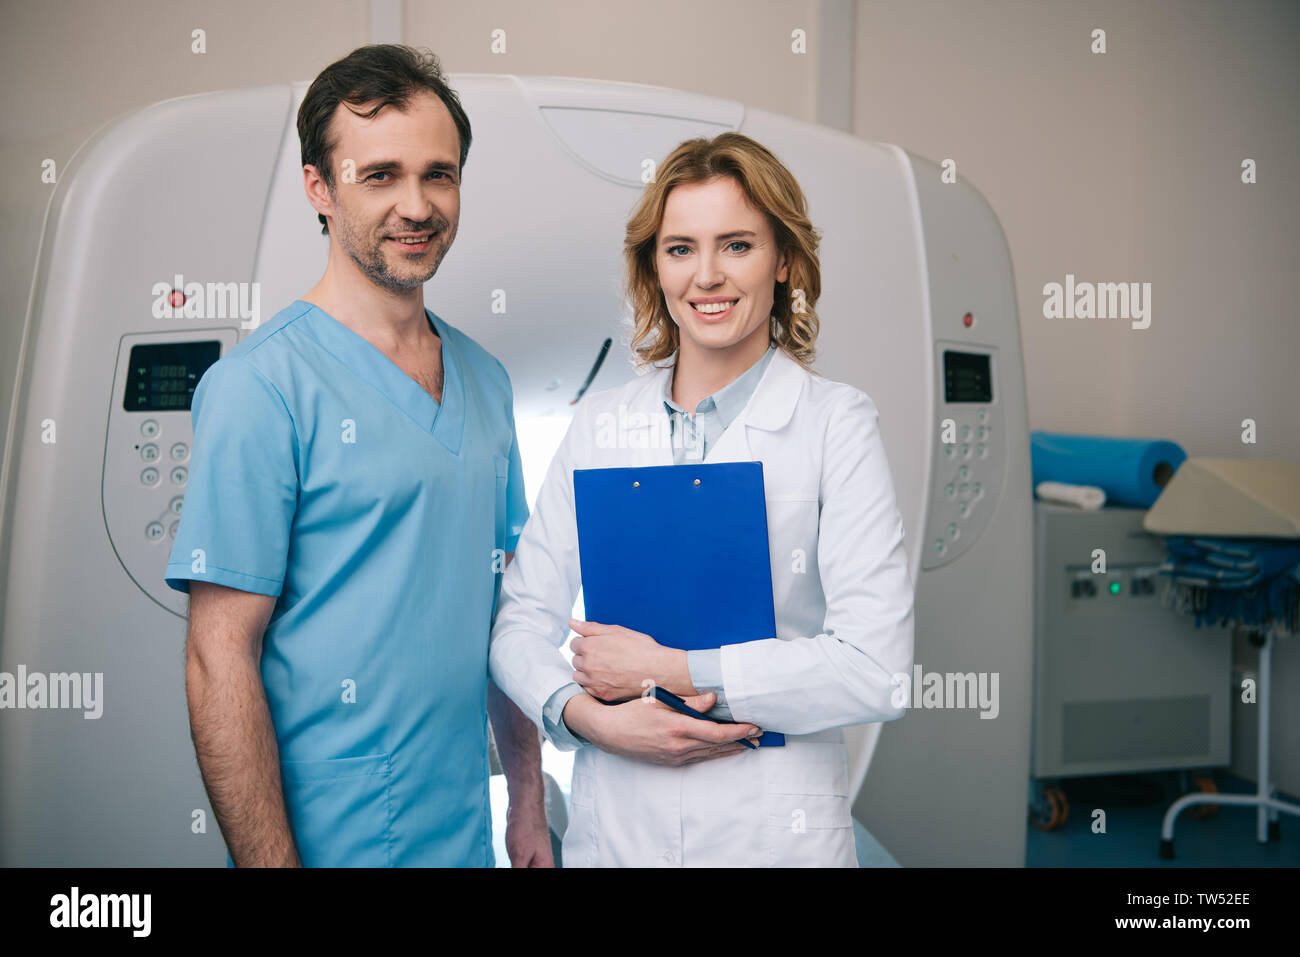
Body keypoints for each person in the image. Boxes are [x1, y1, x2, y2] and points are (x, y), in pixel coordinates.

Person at [165, 44, 552, 867]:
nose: (417, 205)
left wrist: (526, 802)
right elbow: (216, 655)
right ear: (320, 187)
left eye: (438, 174)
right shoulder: (259, 388)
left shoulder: (485, 380)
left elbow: (506, 614)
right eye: (379, 176)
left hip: (463, 834)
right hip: (331, 836)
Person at [489, 132, 915, 867]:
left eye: (737, 245)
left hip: (772, 830)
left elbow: (876, 669)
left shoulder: (833, 424)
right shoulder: (600, 423)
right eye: (681, 247)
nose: (707, 275)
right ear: (654, 265)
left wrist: (673, 670)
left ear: (784, 261)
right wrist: (591, 719)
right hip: (618, 822)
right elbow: (518, 624)